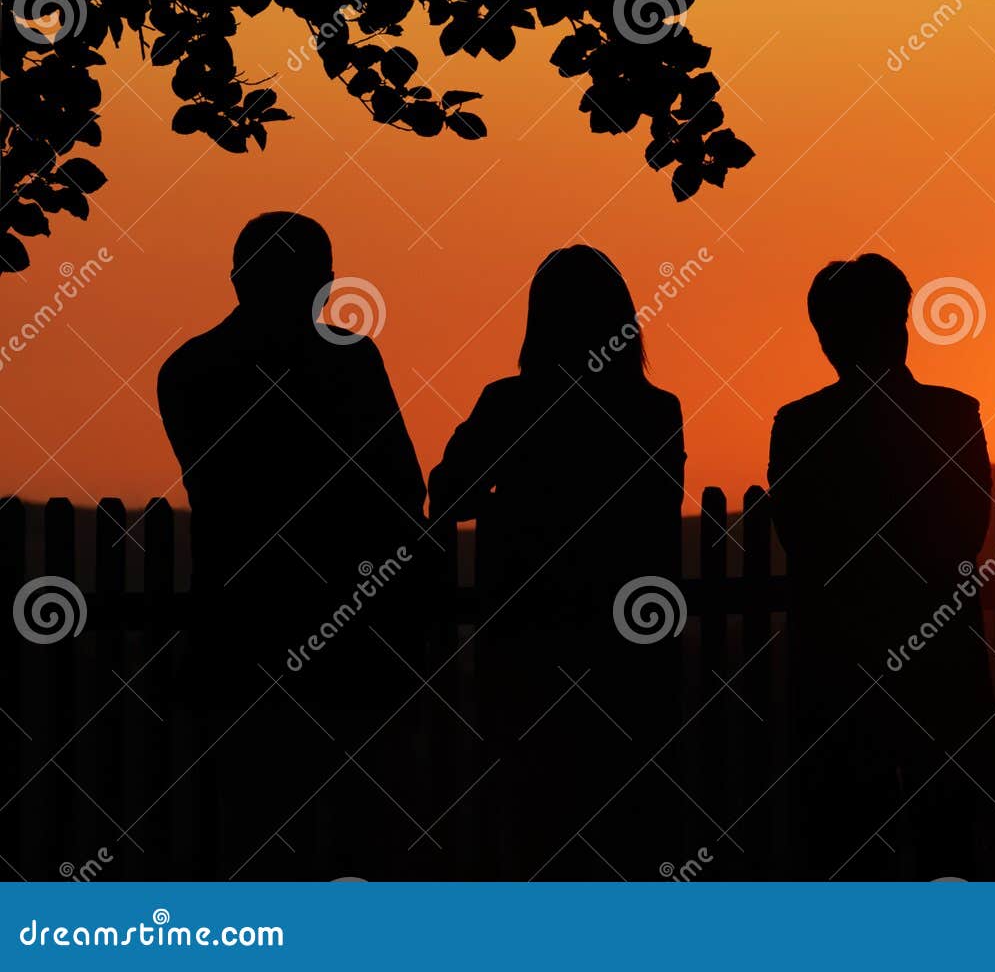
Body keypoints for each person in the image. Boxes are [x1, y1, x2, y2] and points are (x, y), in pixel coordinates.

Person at [156, 212, 426, 879]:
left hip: (237, 638)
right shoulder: (351, 362)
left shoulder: (189, 370)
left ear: (238, 280)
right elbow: (402, 490)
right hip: (351, 648)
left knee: (249, 848)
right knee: (356, 849)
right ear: (325, 283)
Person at [428, 245, 685, 879]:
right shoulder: (656, 410)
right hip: (627, 651)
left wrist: (507, 497)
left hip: (526, 646)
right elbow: (657, 512)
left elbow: (447, 495)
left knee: (531, 829)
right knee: (625, 830)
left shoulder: (508, 405)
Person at [767, 254, 995, 879]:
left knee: (845, 847)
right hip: (937, 657)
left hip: (839, 659)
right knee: (945, 842)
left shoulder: (801, 424)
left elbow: (801, 536)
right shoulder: (952, 415)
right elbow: (965, 532)